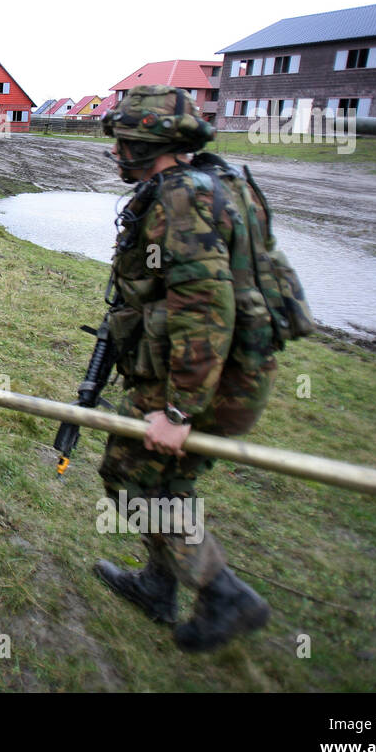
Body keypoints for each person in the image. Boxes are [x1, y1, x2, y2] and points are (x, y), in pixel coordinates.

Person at [92, 84, 275, 652]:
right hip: (231, 375)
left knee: (129, 477)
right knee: (173, 482)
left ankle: (221, 592)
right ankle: (157, 586)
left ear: (145, 146)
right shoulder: (221, 182)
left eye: (123, 143)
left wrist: (177, 411)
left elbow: (203, 309)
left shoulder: (182, 202)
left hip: (199, 382)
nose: (117, 154)